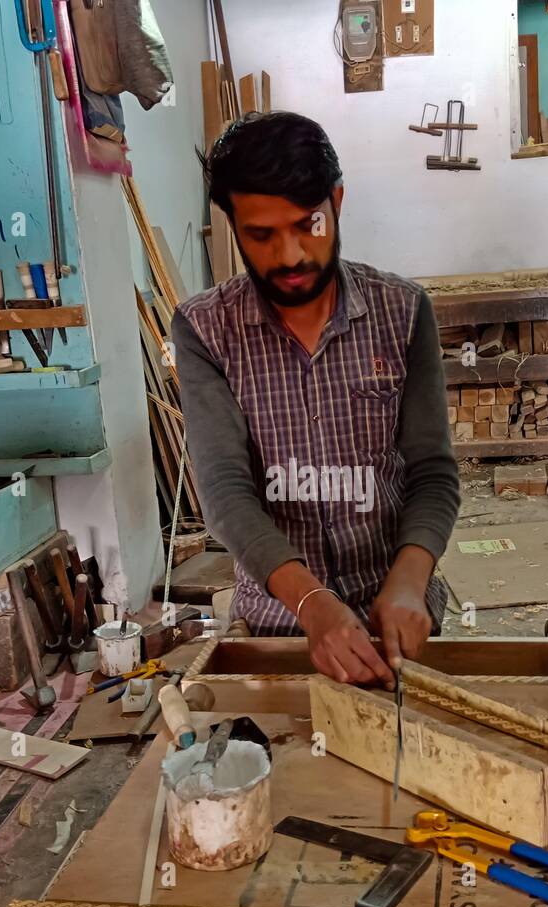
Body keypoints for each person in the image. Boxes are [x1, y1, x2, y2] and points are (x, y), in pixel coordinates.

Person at [172, 111, 460, 689]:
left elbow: (432, 472)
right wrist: (312, 604)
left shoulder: (402, 313)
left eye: (308, 225)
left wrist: (409, 575)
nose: (290, 255)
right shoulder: (206, 331)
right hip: (280, 628)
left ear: (337, 200)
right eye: (261, 234)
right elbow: (227, 494)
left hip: (398, 623)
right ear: (232, 226)